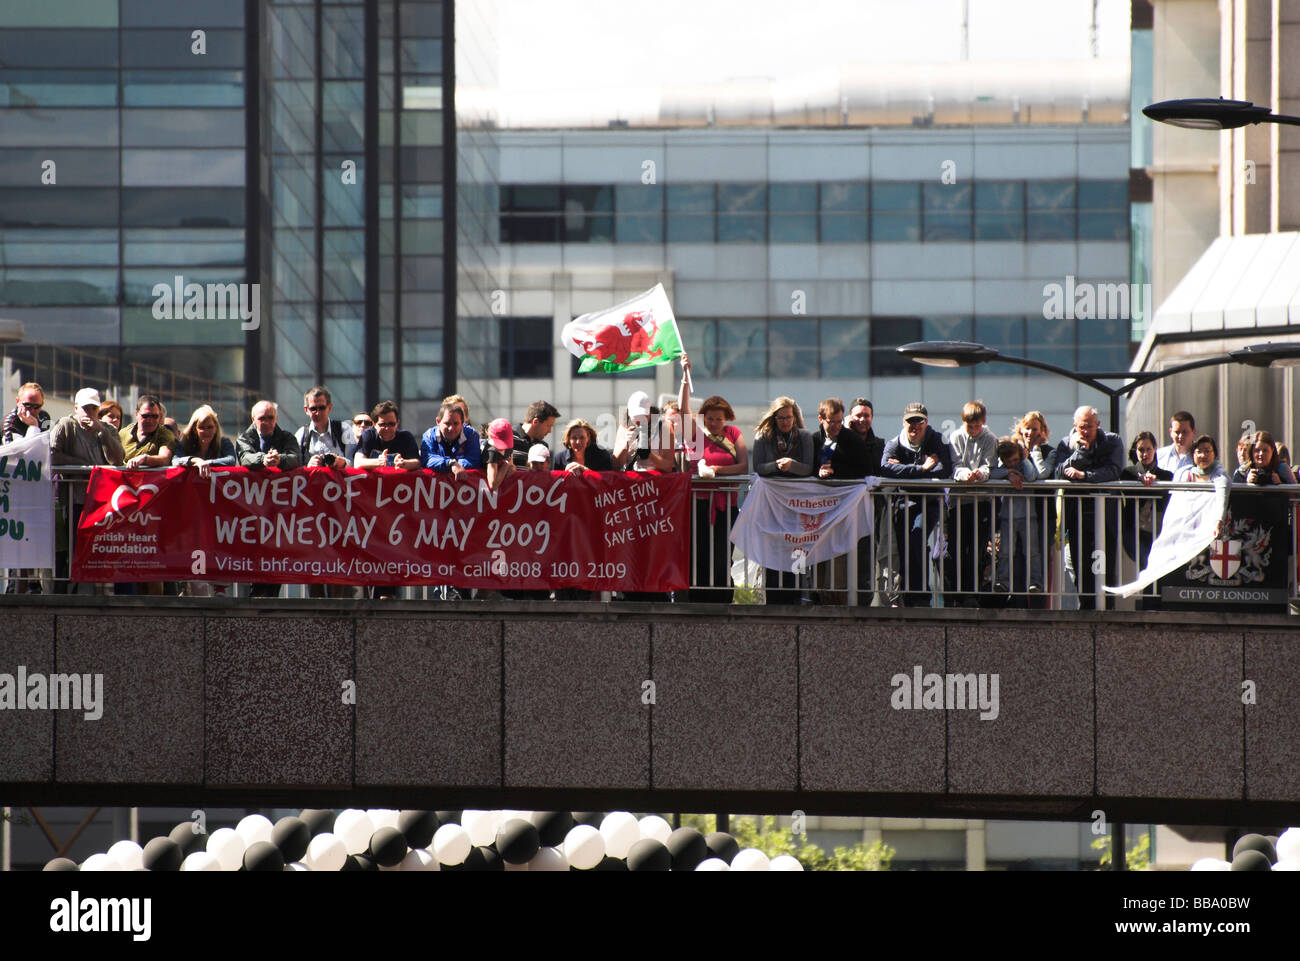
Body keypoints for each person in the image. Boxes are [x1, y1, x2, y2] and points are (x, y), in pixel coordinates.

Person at [50, 388, 126, 594]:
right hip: (74, 498)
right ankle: (69, 590)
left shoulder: (107, 429)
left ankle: (98, 589)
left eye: (93, 408)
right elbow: (53, 456)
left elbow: (118, 459)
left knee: (100, 547)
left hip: (103, 501)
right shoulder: (66, 425)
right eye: (85, 408)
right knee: (73, 547)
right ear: (76, 408)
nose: (89, 412)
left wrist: (103, 431)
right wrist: (84, 466)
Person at [880, 402, 953, 607]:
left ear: (926, 422)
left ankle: (920, 596)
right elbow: (885, 468)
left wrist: (904, 470)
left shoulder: (936, 438)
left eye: (919, 421)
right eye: (910, 421)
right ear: (903, 422)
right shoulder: (895, 442)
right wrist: (920, 468)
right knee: (904, 547)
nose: (915, 426)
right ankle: (909, 594)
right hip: (902, 504)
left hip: (929, 502)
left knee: (916, 537)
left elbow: (944, 468)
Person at [1054, 405, 1124, 610]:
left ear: (1098, 425)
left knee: (1105, 564)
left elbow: (1113, 470)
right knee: (1079, 563)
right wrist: (1081, 452)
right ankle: (1085, 607)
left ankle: (1107, 608)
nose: (1085, 431)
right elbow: (1059, 472)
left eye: (1090, 427)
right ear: (1075, 425)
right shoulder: (1066, 444)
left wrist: (1084, 476)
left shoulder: (1112, 441)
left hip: (1105, 513)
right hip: (1077, 513)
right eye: (1082, 427)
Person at [752, 397, 814, 604]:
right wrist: (777, 466)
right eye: (781, 418)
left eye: (789, 417)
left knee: (797, 548)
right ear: (774, 418)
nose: (786, 422)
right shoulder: (763, 436)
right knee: (774, 548)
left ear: (795, 417)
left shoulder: (805, 437)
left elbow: (808, 467)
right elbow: (759, 467)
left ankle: (797, 594)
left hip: (796, 503)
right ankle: (774, 597)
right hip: (772, 503)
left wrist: (792, 465)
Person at [689, 395, 749, 603]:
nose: (714, 423)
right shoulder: (696, 435)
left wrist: (717, 470)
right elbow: (682, 410)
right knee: (700, 553)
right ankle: (698, 599)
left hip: (727, 504)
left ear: (726, 419)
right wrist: (685, 378)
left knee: (723, 554)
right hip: (699, 504)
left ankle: (723, 599)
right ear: (703, 418)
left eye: (718, 419)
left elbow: (743, 466)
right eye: (710, 419)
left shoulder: (733, 434)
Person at [946, 400, 997, 604]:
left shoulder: (990, 439)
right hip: (959, 501)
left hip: (981, 500)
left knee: (977, 548)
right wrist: (965, 474)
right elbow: (955, 464)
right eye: (970, 426)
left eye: (978, 426)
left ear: (983, 422)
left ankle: (972, 592)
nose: (974, 430)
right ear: (963, 422)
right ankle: (956, 592)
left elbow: (989, 465)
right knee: (956, 548)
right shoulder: (955, 437)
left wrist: (980, 474)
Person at [3, 382, 52, 594]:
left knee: (35, 536)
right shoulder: (10, 420)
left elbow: (44, 448)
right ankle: (17, 586)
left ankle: (34, 582)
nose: (31, 411)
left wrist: (34, 425)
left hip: (36, 489)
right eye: (27, 405)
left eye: (37, 406)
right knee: (17, 540)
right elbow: (20, 452)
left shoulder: (45, 417)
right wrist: (33, 426)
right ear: (17, 402)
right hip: (14, 491)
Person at [989, 437, 1041, 597]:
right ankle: (1003, 582)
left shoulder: (1025, 466)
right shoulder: (1003, 468)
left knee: (1032, 551)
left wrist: (1024, 459)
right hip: (1007, 516)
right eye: (1008, 461)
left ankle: (1035, 582)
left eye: (1015, 460)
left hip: (1028, 515)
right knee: (1005, 551)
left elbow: (1032, 476)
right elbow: (992, 474)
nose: (1012, 463)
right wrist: (1008, 472)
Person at [1119, 430, 1173, 569]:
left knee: (1158, 566)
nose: (1145, 454)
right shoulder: (1128, 473)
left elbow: (1164, 498)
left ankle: (1153, 591)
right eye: (1141, 450)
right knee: (1146, 564)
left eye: (1149, 449)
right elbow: (1130, 486)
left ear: (1155, 449)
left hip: (1158, 530)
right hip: (1133, 530)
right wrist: (1141, 478)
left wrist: (1155, 481)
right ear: (1135, 451)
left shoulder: (1166, 475)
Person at [295, 386, 356, 470]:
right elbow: (294, 469)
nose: (318, 413)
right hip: (312, 482)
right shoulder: (301, 434)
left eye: (322, 408)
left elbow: (355, 464)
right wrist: (308, 466)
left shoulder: (344, 429)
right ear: (306, 410)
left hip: (339, 482)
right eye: (313, 409)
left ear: (329, 407)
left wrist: (340, 462)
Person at [812, 398, 870, 480]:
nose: (836, 426)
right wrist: (819, 472)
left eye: (839, 421)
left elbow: (865, 470)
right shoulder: (814, 439)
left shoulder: (853, 440)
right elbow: (809, 467)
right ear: (821, 419)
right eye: (831, 422)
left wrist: (834, 470)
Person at [353, 400, 421, 471]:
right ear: (374, 424)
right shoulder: (368, 435)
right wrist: (378, 462)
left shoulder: (406, 437)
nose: (387, 428)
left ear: (397, 423)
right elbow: (357, 462)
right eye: (382, 424)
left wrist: (403, 463)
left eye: (391, 424)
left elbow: (417, 462)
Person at [420, 401, 483, 476]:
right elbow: (427, 459)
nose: (451, 428)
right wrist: (450, 463)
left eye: (456, 423)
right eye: (447, 423)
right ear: (438, 421)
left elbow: (474, 461)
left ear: (463, 423)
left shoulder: (471, 435)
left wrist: (453, 464)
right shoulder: (429, 435)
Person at [173, 405, 237, 478]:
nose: (206, 432)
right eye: (201, 428)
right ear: (194, 429)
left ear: (216, 428)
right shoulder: (184, 443)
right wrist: (197, 461)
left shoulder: (224, 443)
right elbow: (176, 461)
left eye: (210, 427)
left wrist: (207, 463)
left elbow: (231, 460)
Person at [237, 401, 301, 471]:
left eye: (270, 418)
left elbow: (295, 458)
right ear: (253, 419)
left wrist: (279, 459)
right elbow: (245, 458)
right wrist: (263, 459)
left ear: (276, 418)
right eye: (262, 418)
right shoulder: (244, 439)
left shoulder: (287, 437)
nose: (267, 423)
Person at [120, 395, 175, 470]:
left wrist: (145, 459)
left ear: (160, 416)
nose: (150, 420)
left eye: (154, 416)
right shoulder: (123, 433)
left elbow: (164, 459)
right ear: (136, 414)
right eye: (145, 416)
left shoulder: (165, 434)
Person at [512, 401, 560, 468]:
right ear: (536, 422)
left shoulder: (543, 446)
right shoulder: (509, 437)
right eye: (548, 426)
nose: (550, 431)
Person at [847, 398, 885, 475]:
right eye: (858, 415)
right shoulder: (840, 442)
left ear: (872, 418)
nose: (862, 419)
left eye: (866, 416)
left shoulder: (880, 445)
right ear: (850, 417)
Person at [1155, 410, 1195, 476]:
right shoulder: (1159, 456)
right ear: (1170, 432)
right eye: (1177, 432)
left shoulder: (1201, 458)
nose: (1180, 436)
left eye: (1184, 432)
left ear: (1193, 432)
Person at [483, 417, 517, 491]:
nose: (503, 448)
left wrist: (512, 468)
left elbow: (511, 466)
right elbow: (492, 485)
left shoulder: (508, 448)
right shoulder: (491, 452)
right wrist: (506, 465)